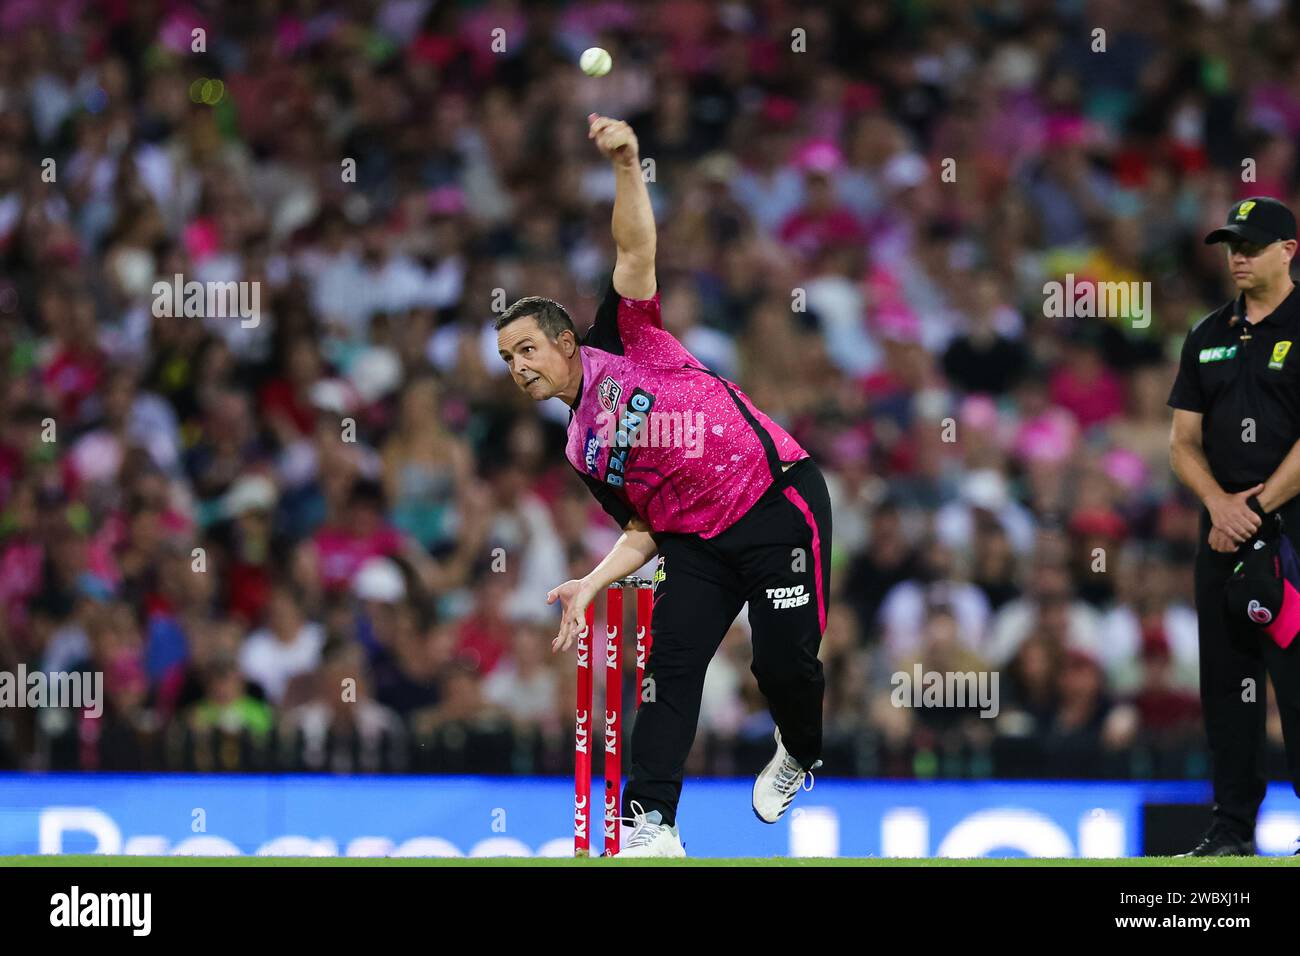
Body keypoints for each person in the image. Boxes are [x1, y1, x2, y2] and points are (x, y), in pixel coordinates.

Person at [495, 114, 833, 857]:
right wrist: (592, 582)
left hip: (775, 500)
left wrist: (626, 162)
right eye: (507, 359)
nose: (517, 367)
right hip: (696, 545)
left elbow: (634, 249)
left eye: (526, 349)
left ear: (565, 342)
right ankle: (651, 823)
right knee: (667, 670)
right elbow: (642, 528)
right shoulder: (579, 448)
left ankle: (799, 752)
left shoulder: (624, 337)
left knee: (783, 665)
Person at [1168, 196, 1300, 856]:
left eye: (1250, 245)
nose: (1237, 258)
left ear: (1289, 251)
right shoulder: (1207, 334)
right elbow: (1181, 442)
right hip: (1221, 536)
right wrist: (1219, 506)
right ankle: (1231, 829)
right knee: (1227, 684)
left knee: (1296, 680)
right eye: (1231, 247)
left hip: (1291, 533)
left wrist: (1252, 508)